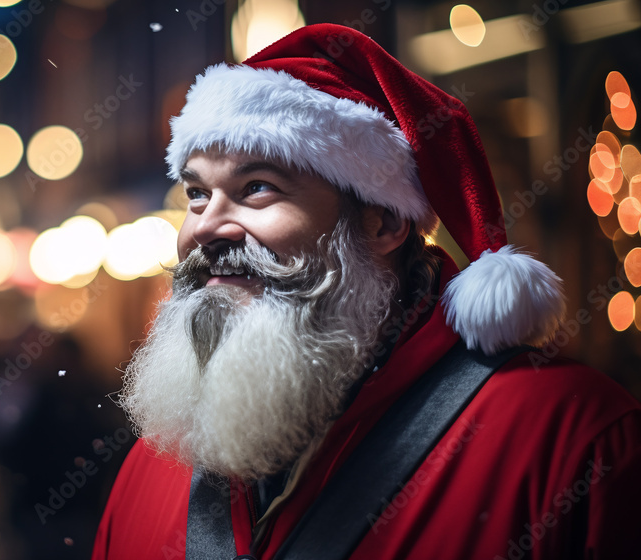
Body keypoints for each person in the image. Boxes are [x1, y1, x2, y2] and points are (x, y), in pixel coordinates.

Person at [91, 24, 641, 560]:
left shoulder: (574, 438)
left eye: (257, 188)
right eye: (196, 193)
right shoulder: (155, 457)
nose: (205, 228)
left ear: (382, 223)